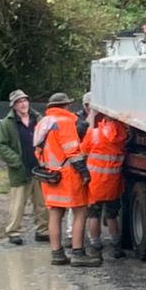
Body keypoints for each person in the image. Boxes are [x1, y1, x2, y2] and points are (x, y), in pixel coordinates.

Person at [35, 91, 95, 266]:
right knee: (80, 211)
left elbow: (38, 151)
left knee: (54, 213)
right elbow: (72, 150)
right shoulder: (66, 122)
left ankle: (57, 254)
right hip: (68, 176)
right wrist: (84, 172)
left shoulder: (43, 123)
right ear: (66, 106)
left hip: (50, 176)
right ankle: (78, 254)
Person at [0, 90, 49, 245]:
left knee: (42, 204)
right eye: (19, 102)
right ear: (14, 106)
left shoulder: (38, 119)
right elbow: (0, 145)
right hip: (20, 170)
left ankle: (42, 231)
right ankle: (13, 232)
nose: (23, 104)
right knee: (17, 204)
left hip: (40, 168)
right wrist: (16, 161)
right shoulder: (7, 123)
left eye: (25, 100)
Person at [80, 94, 131, 258]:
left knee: (93, 215)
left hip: (95, 182)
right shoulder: (120, 132)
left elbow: (83, 150)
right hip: (113, 183)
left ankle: (95, 245)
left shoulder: (94, 133)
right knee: (112, 215)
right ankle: (116, 246)